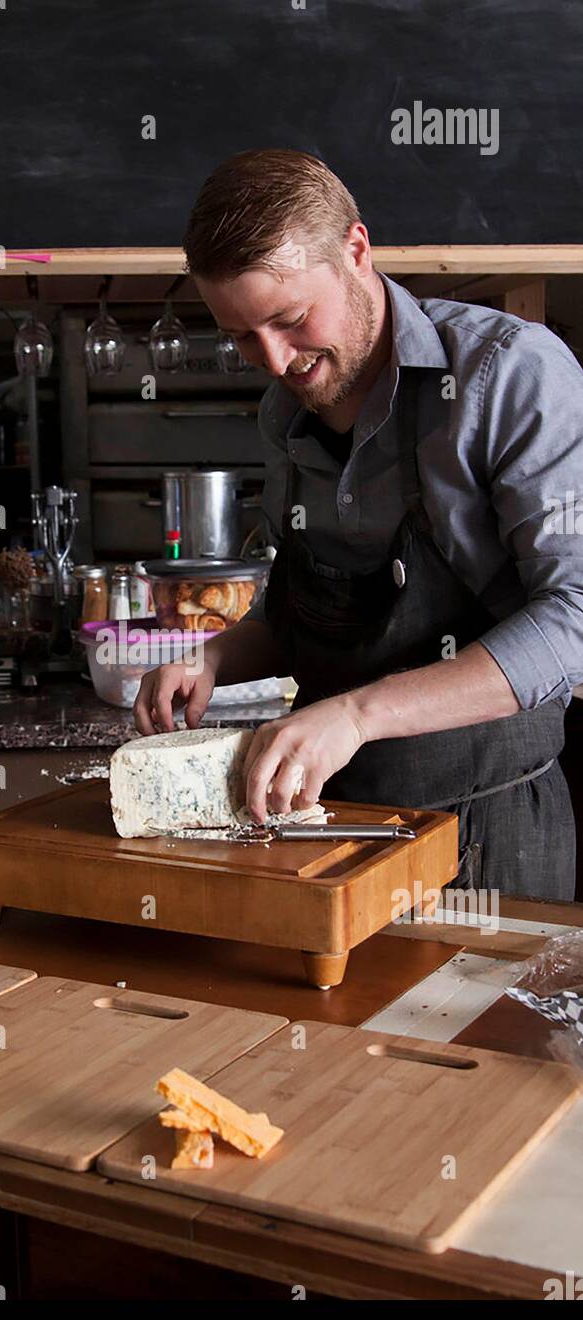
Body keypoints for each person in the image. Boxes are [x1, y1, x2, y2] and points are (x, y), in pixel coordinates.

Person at [134, 149, 583, 899]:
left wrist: (359, 713)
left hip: (488, 829)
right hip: (333, 823)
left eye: (289, 319)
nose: (274, 360)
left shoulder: (511, 377)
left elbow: (574, 623)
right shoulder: (288, 413)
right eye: (243, 337)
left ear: (356, 250)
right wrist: (213, 661)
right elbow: (305, 611)